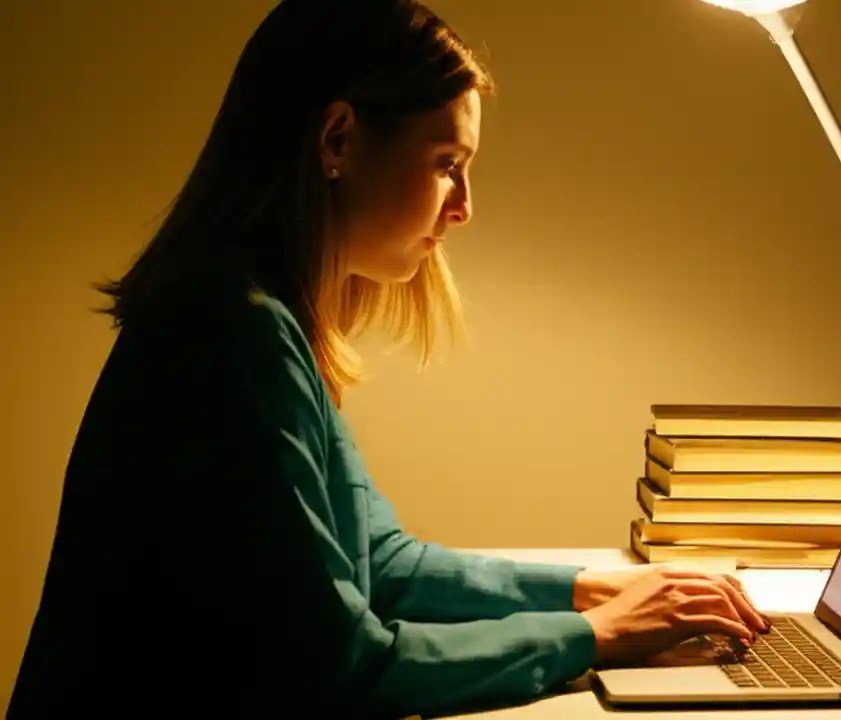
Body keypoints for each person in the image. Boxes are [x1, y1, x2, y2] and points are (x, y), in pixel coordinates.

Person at [7, 1, 768, 717]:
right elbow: (343, 664)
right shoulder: (229, 337)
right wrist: (597, 635)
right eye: (446, 162)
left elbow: (383, 563)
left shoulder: (253, 314)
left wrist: (592, 588)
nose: (464, 205)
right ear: (336, 140)